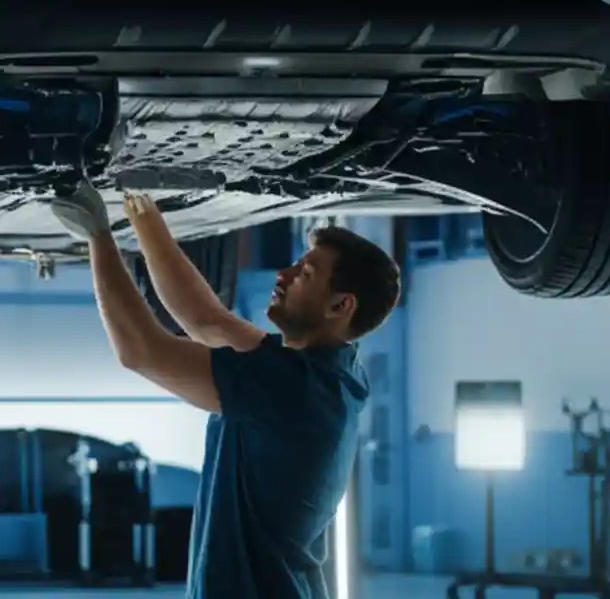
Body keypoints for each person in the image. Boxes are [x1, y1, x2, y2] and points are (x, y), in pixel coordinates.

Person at [52, 182, 402, 599]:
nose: (284, 275)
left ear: (340, 306)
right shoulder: (327, 376)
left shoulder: (296, 388)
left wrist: (100, 238)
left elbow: (142, 350)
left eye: (305, 274)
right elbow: (206, 320)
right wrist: (139, 209)